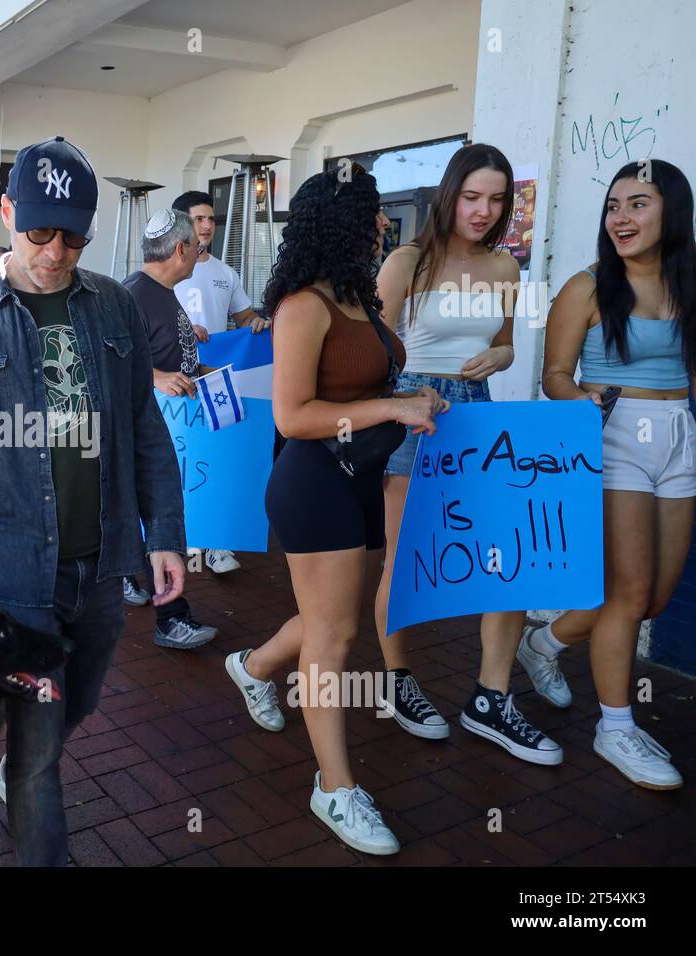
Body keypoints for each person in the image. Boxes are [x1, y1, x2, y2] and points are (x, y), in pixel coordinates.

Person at [0, 136, 186, 866]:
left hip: (103, 563)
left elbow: (145, 430)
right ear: (5, 214)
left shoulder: (114, 307)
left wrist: (167, 534)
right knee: (38, 754)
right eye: (38, 233)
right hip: (16, 573)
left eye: (73, 236)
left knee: (75, 705)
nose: (55, 252)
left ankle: (23, 763)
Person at [223, 165, 443, 855]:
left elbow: (369, 379)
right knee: (335, 636)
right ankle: (334, 787)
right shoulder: (304, 306)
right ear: (344, 223)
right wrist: (392, 406)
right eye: (373, 214)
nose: (382, 224)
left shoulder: (360, 299)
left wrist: (413, 400)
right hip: (313, 482)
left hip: (359, 477)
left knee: (333, 618)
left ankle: (254, 666)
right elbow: (291, 415)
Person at [367, 144, 563, 763]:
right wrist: (405, 392)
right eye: (473, 196)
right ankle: (398, 681)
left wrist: (503, 357)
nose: (483, 210)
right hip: (414, 411)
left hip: (476, 414)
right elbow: (373, 348)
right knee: (404, 557)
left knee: (508, 558)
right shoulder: (406, 261)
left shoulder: (506, 269)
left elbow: (504, 343)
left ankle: (492, 698)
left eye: (496, 199)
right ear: (450, 194)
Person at [533, 158, 696, 790]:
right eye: (613, 206)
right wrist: (583, 402)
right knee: (628, 593)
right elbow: (555, 376)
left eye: (638, 204)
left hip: (679, 433)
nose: (621, 218)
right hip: (618, 433)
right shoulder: (589, 285)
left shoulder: (688, 281)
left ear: (670, 210)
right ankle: (616, 725)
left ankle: (544, 644)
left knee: (651, 597)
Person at [119, 208, 219, 649]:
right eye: (197, 247)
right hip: (151, 434)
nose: (201, 254)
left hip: (174, 429)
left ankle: (135, 582)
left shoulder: (163, 290)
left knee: (160, 518)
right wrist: (157, 377)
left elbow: (167, 352)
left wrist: (200, 370)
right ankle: (170, 616)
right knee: (161, 518)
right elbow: (111, 367)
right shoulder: (131, 295)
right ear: (180, 249)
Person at [170, 188, 268, 575]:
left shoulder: (226, 273)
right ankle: (182, 538)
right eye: (199, 219)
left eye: (211, 218)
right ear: (182, 224)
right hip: (174, 380)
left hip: (217, 377)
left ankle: (218, 545)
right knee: (180, 457)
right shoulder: (168, 268)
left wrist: (256, 325)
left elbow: (245, 319)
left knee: (221, 452)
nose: (207, 225)